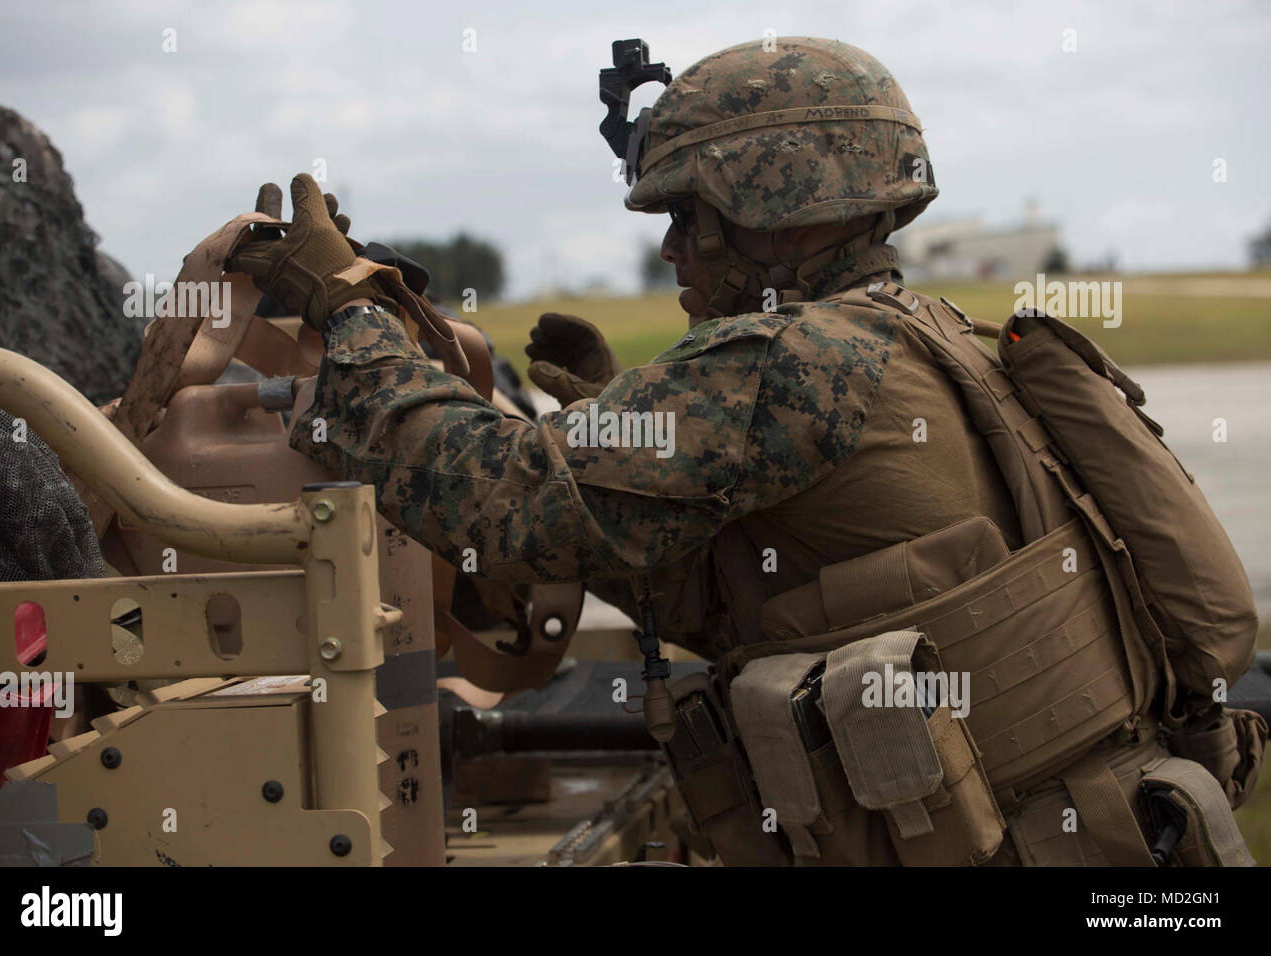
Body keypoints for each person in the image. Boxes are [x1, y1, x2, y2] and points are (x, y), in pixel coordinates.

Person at [223, 37, 1259, 866]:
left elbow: (498, 500)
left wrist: (348, 311)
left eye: (688, 215)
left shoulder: (789, 361)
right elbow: (767, 583)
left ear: (771, 207)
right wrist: (600, 416)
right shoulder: (925, 333)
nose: (672, 249)